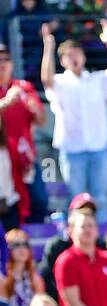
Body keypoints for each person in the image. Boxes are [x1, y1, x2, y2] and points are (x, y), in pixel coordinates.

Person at [40, 20, 107, 220]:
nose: (74, 58)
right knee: (75, 199)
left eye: (77, 53)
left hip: (98, 147)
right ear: (62, 61)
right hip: (72, 149)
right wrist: (48, 46)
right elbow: (47, 80)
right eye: (69, 55)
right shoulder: (60, 82)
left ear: (84, 56)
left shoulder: (97, 80)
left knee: (101, 198)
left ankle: (102, 241)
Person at [0, 36, 47, 224]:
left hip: (24, 157)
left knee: (39, 201)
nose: (3, 64)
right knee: (9, 208)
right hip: (3, 160)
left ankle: (25, 245)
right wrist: (5, 103)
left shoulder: (23, 87)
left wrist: (34, 108)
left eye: (6, 59)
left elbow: (42, 121)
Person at [2, 227, 41, 306]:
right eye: (16, 245)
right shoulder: (3, 279)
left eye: (25, 244)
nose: (22, 248)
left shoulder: (35, 278)